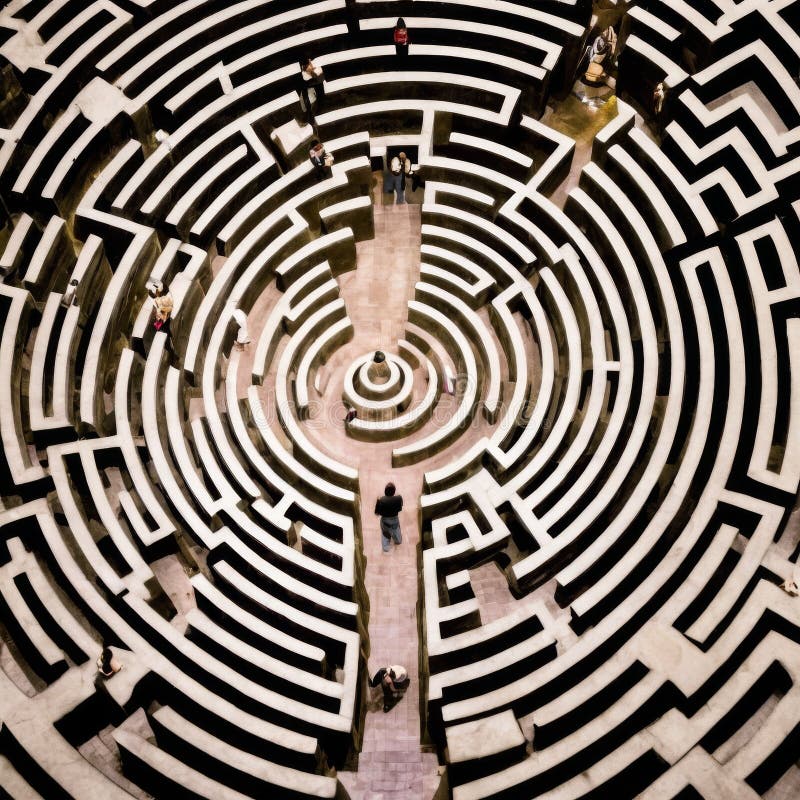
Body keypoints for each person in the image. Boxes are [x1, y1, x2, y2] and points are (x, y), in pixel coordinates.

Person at [375, 482, 402, 551]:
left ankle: (386, 548)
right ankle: (397, 541)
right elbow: (400, 508)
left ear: (385, 491)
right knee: (396, 531)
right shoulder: (399, 498)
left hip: (385, 521)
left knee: (385, 534)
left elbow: (377, 513)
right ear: (394, 491)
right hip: (395, 520)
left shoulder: (381, 500)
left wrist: (378, 501)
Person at [150, 281, 174, 349]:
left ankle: (168, 347)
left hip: (164, 320)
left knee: (165, 333)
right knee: (166, 333)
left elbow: (166, 310)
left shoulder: (166, 298)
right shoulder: (164, 297)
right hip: (164, 320)